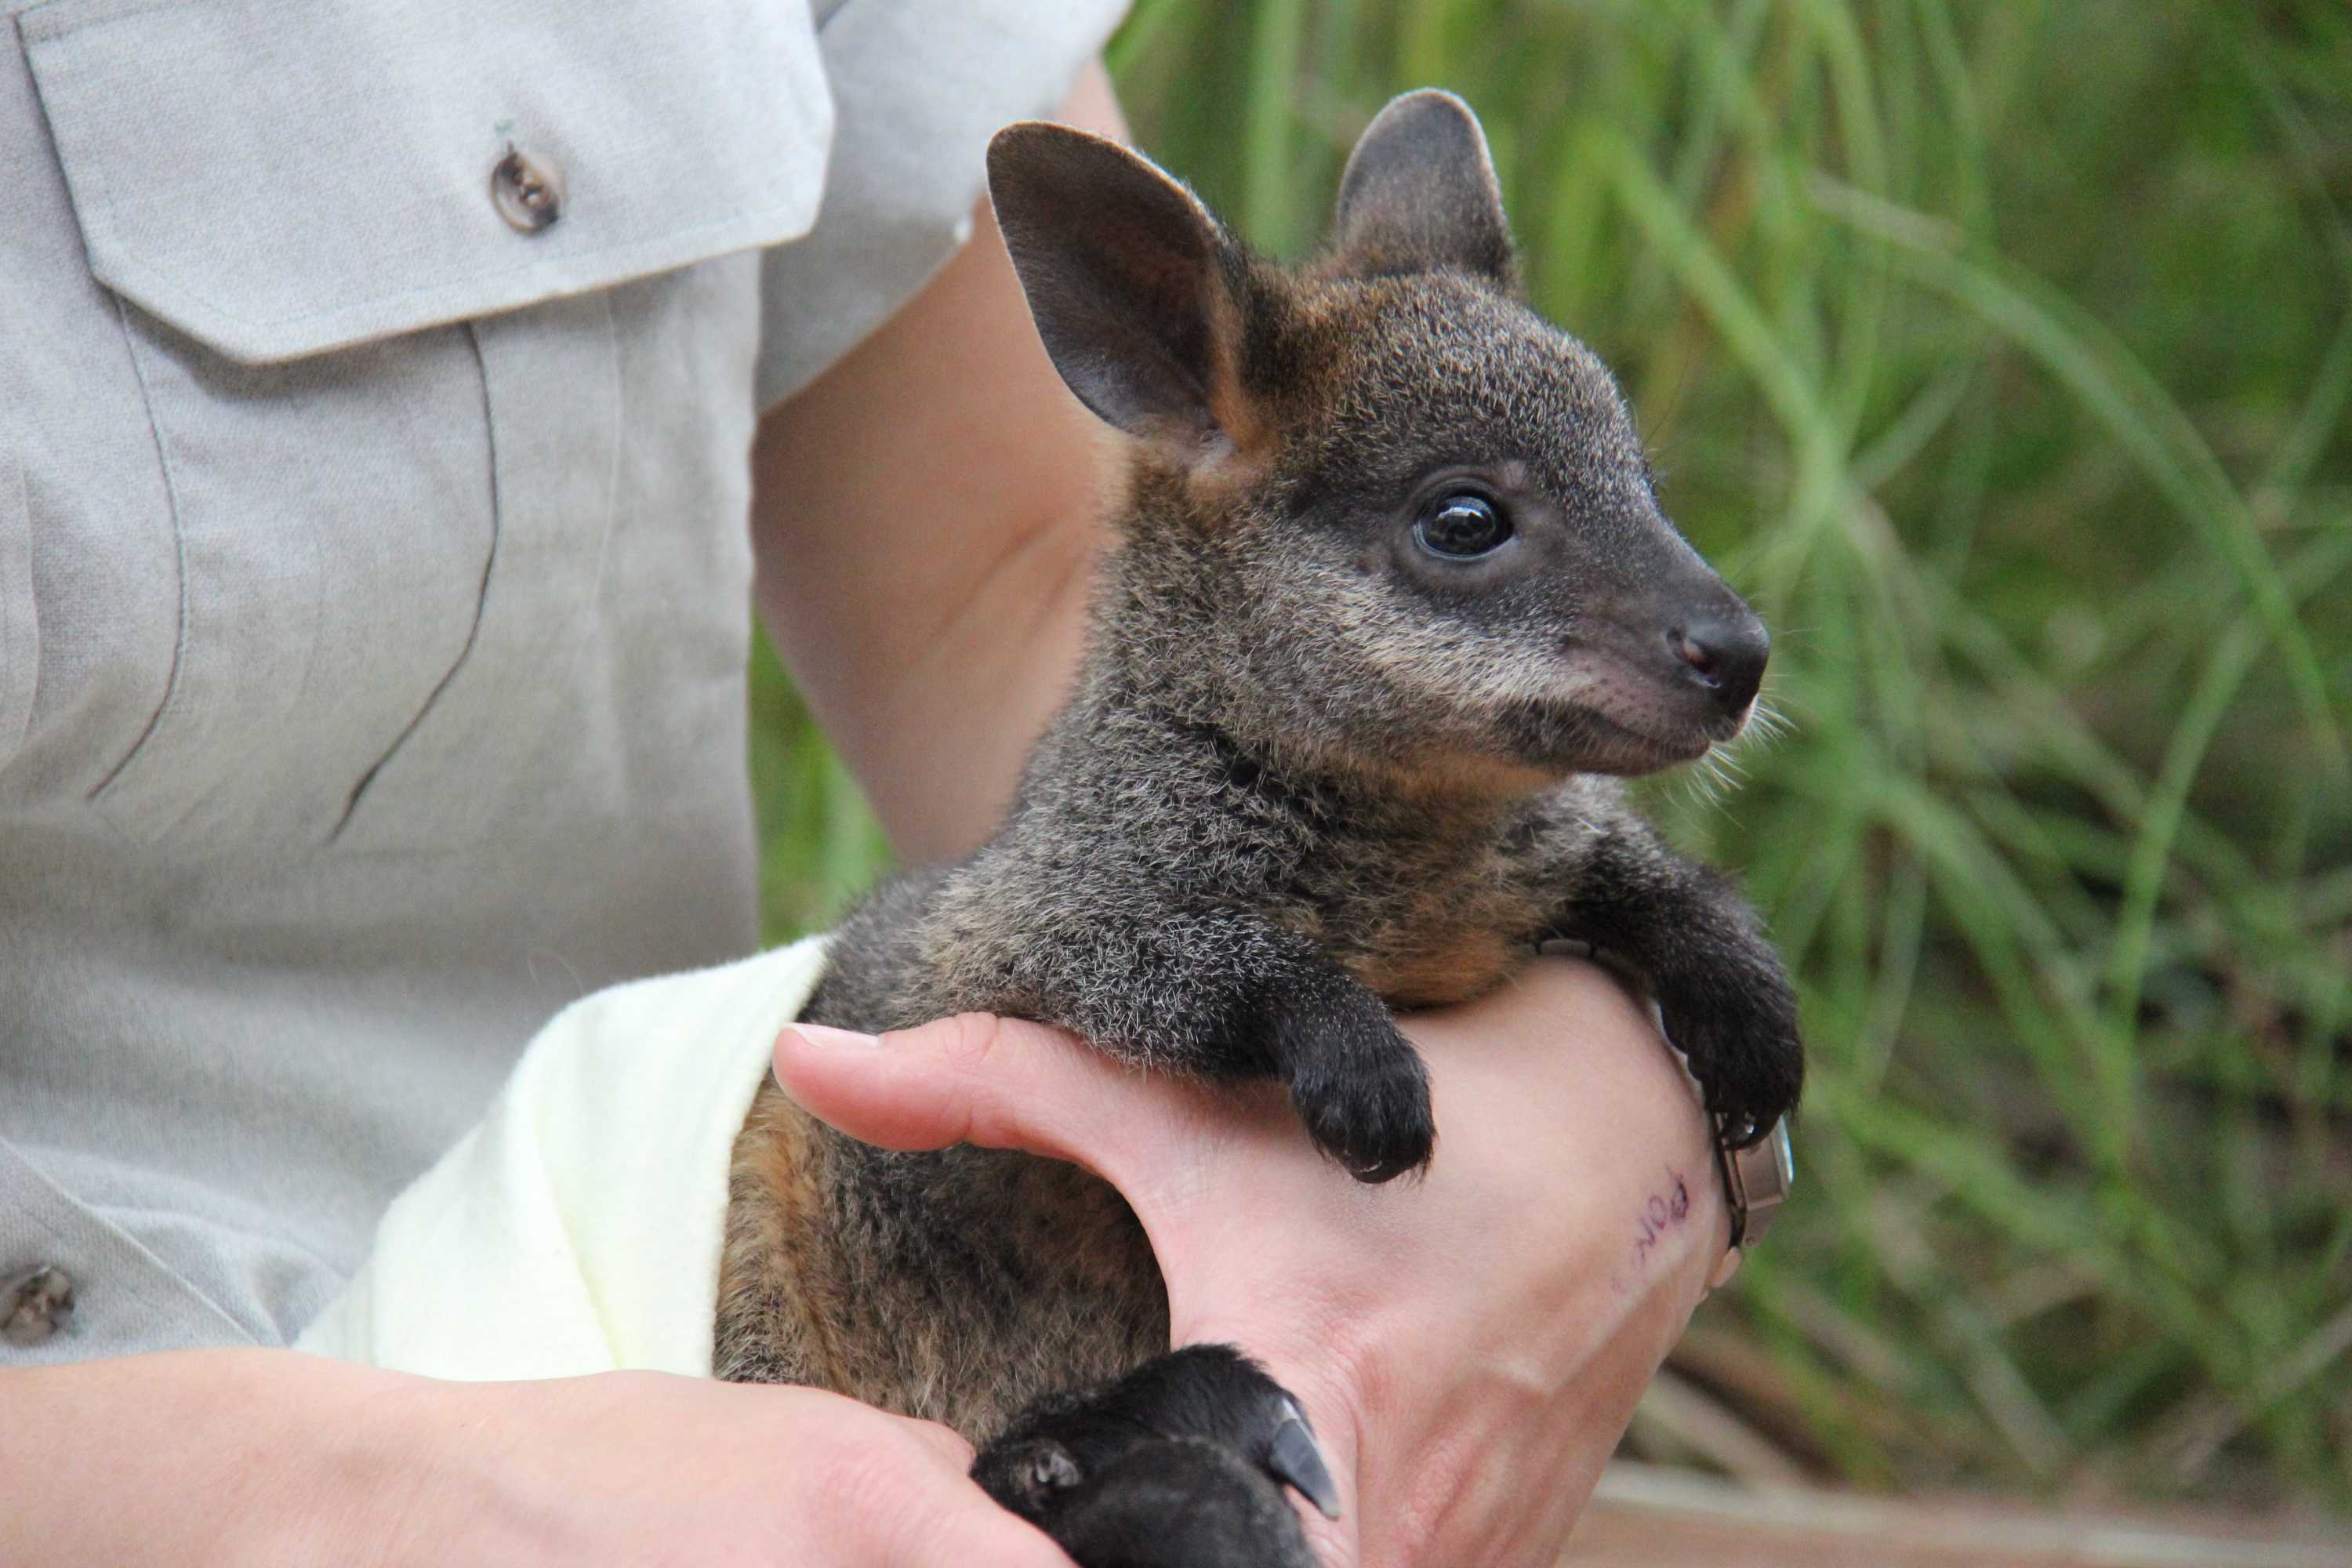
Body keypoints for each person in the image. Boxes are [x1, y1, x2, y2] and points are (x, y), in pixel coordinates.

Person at [0, 7, 1733, 1563]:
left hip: (755, 1312)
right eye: (1463, 531)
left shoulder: (1270, 654)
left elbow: (1029, 599)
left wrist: (1625, 1134)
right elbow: (1095, 902)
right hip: (572, 1369)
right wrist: (371, 1498)